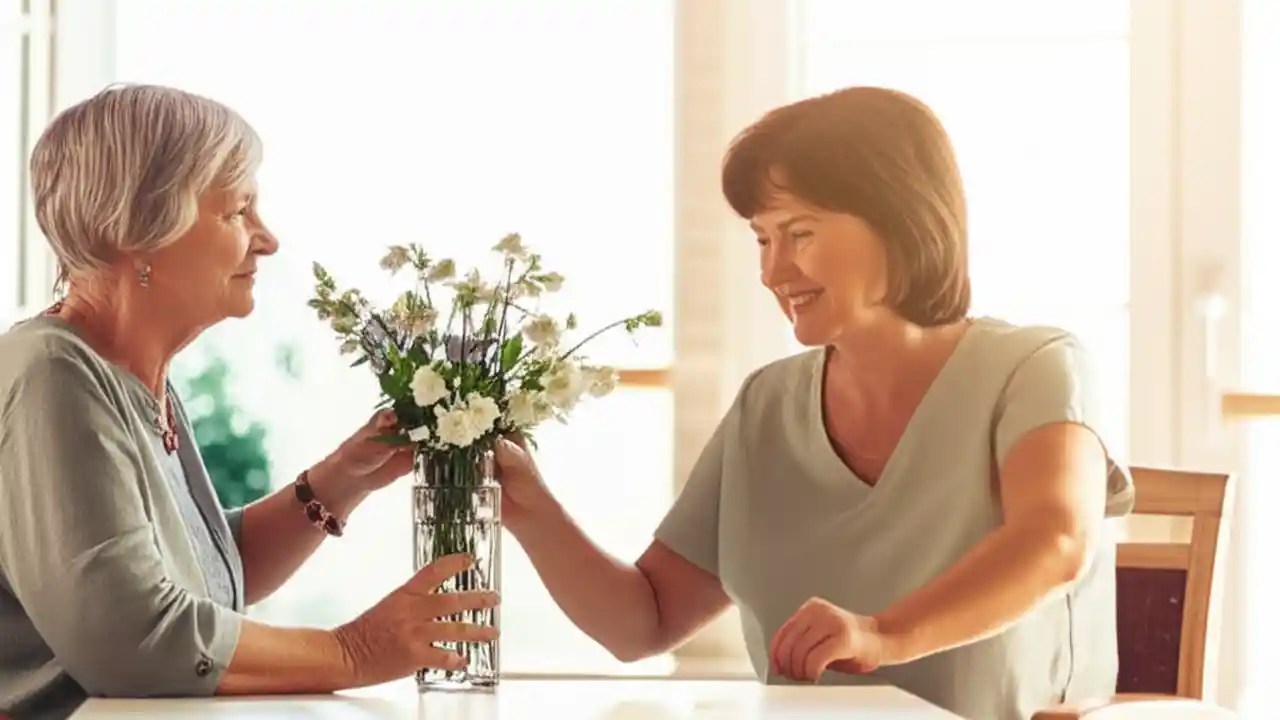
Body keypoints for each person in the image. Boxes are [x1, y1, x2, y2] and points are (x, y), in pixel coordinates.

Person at [492, 86, 1135, 720]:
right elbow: (645, 622)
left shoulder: (1034, 366)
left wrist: (883, 635)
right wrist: (529, 508)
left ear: (900, 220)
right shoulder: (766, 406)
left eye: (799, 233)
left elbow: (1055, 540)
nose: (774, 273)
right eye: (762, 240)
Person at [0, 84, 498, 720]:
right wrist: (357, 649)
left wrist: (337, 484)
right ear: (141, 231)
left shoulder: (130, 378)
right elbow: (131, 637)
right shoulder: (52, 377)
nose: (266, 240)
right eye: (237, 212)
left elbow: (194, 578)